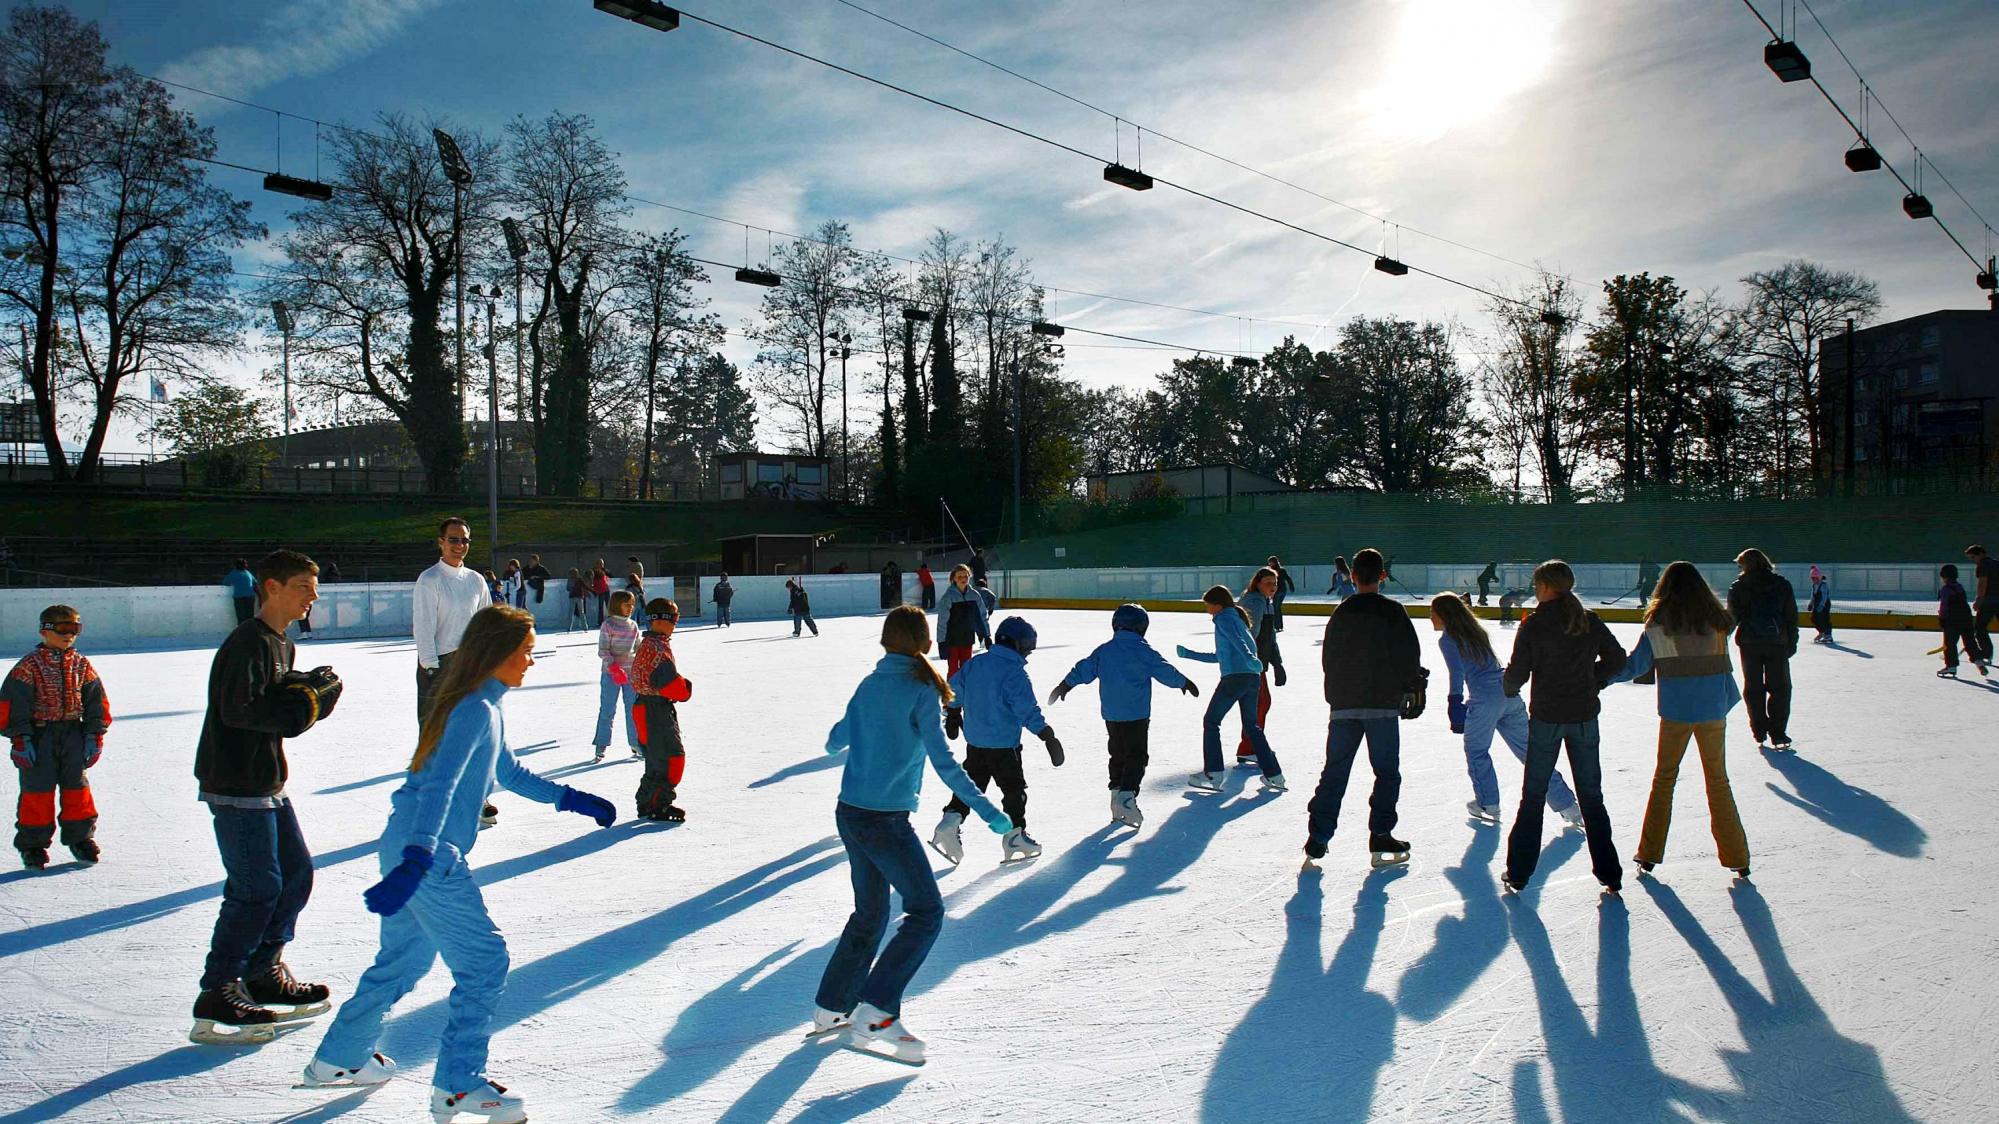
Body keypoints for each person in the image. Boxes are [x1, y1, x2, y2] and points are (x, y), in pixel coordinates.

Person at [304, 606, 615, 1118]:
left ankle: (339, 1057)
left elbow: (507, 773)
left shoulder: (481, 706)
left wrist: (570, 798)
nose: (531, 661)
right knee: (485, 962)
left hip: (405, 845)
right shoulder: (474, 709)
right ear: (497, 653)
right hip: (427, 853)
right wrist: (420, 854)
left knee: (403, 962)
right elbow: (442, 784)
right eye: (526, 651)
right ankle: (458, 1082)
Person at [813, 607, 1012, 1064]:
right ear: (924, 643)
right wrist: (987, 812)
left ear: (886, 642)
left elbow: (839, 736)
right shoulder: (921, 690)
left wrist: (837, 739)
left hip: (851, 813)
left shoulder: (870, 684)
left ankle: (831, 1007)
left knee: (870, 913)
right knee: (925, 912)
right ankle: (877, 1012)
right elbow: (944, 762)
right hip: (884, 821)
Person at [190, 549, 345, 1044]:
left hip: (265, 781)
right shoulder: (248, 643)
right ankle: (218, 988)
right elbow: (240, 711)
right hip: (237, 783)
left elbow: (273, 703)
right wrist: (303, 703)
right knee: (255, 888)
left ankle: (262, 971)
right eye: (303, 586)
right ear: (271, 587)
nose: (312, 597)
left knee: (295, 875)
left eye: (314, 588)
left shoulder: (281, 645)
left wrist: (303, 692)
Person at [1609, 561, 1751, 880]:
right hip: (1714, 707)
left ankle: (1648, 853)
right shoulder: (1718, 622)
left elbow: (1635, 666)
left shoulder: (1659, 624)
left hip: (1676, 711)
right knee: (1718, 780)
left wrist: (1600, 678)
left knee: (1664, 778)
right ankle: (1738, 857)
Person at [1500, 559, 1627, 897]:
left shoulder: (1535, 625)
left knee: (1534, 795)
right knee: (1591, 797)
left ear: (1543, 587)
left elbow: (1517, 674)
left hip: (1546, 719)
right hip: (1584, 717)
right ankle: (1610, 873)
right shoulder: (1589, 621)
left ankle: (1519, 873)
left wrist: (1508, 687)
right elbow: (1618, 660)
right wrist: (1592, 681)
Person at [1302, 548, 1425, 869]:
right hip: (1382, 704)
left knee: (1335, 772)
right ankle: (1380, 833)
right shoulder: (1393, 611)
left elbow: (1329, 659)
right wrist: (1413, 685)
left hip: (1344, 705)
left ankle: (1318, 838)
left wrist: (1337, 696)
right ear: (1382, 576)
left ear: (1352, 577)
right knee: (1386, 772)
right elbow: (1408, 655)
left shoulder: (1341, 613)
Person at [1429, 593, 1581, 830]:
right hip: (1508, 693)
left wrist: (1454, 702)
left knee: (1476, 751)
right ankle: (1569, 806)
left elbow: (1456, 673)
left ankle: (1488, 804)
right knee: (1532, 754)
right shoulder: (1476, 631)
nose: (1430, 618)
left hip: (1484, 700)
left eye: (1433, 613)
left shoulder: (1448, 639)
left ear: (1443, 615)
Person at [1051, 604, 1196, 831]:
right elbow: (1163, 669)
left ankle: (1116, 796)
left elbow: (1084, 669)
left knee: (1117, 754)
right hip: (1136, 714)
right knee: (1137, 756)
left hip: (1112, 714)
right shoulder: (1143, 651)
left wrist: (1065, 685)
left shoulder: (1105, 650)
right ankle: (1127, 796)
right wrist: (1184, 682)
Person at [932, 616, 1064, 864]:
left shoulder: (975, 664)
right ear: (1016, 645)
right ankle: (1015, 835)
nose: (1028, 654)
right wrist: (1047, 735)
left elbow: (953, 690)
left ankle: (949, 822)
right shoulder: (1015, 674)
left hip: (976, 744)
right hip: (1004, 746)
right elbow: (1026, 710)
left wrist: (952, 713)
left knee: (971, 787)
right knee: (1013, 790)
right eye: (1026, 648)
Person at [6, 604, 112, 869]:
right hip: (40, 735)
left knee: (77, 789)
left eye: (75, 629)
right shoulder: (29, 666)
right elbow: (12, 704)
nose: (70, 635)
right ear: (45, 630)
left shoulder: (81, 664)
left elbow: (96, 701)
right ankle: (33, 844)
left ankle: (81, 837)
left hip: (73, 733)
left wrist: (94, 734)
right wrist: (20, 738)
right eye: (64, 629)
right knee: (37, 791)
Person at [415, 517, 503, 828]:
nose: (459, 546)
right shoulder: (430, 580)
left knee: (475, 733)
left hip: (472, 664)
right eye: (453, 539)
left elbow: (486, 622)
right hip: (438, 665)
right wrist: (430, 666)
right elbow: (423, 627)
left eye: (464, 540)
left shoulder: (476, 580)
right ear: (440, 542)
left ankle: (476, 798)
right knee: (437, 738)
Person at [1177, 585, 1285, 794]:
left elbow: (1239, 645)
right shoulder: (1236, 619)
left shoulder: (1225, 618)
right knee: (1252, 726)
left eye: (1208, 605)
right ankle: (1274, 774)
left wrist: (1250, 659)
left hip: (1234, 679)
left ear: (1217, 604)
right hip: (1251, 678)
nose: (1207, 610)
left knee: (1211, 722)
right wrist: (1190, 654)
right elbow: (1222, 655)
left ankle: (1213, 773)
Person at [1726, 548, 1799, 753]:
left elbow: (1732, 618)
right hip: (1777, 642)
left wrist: (1720, 638)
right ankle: (1778, 732)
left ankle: (1759, 729)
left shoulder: (1739, 587)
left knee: (1753, 687)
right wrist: (1792, 641)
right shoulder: (1781, 584)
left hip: (1749, 643)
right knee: (1781, 688)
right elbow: (1791, 616)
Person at [632, 598, 695, 821]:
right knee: (672, 758)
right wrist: (685, 688)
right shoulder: (657, 649)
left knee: (656, 759)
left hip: (644, 708)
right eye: (674, 619)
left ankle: (648, 801)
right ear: (659, 620)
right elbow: (668, 683)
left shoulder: (649, 644)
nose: (676, 624)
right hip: (655, 712)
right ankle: (658, 803)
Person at [1235, 567, 1285, 768]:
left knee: (1260, 703)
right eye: (1268, 583)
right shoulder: (1254, 602)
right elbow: (1248, 635)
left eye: (1274, 583)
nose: (1272, 587)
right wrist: (1250, 661)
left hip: (1257, 663)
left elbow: (1270, 637)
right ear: (1257, 583)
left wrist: (1277, 663)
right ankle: (1249, 748)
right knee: (1260, 703)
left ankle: (1249, 747)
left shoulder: (1266, 602)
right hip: (1250, 663)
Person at [593, 591, 641, 762]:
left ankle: (636, 744)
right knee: (607, 709)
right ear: (616, 604)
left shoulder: (633, 626)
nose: (631, 607)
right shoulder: (608, 625)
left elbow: (638, 648)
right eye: (627, 604)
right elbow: (603, 650)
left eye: (632, 604)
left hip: (630, 675)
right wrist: (614, 667)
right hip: (611, 675)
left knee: (633, 710)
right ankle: (601, 744)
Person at [935, 565, 991, 677]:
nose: (963, 579)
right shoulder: (948, 597)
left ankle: (965, 693)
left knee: (967, 670)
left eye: (965, 576)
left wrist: (986, 635)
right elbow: (942, 621)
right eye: (959, 576)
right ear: (954, 578)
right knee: (953, 671)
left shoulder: (975, 596)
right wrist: (941, 642)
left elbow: (982, 616)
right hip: (952, 641)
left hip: (967, 640)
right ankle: (951, 693)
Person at [1937, 564, 1984, 678]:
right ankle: (1979, 662)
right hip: (1966, 618)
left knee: (1950, 644)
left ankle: (1951, 666)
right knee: (1970, 642)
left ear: (1944, 577)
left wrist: (1942, 618)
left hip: (1952, 620)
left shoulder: (1946, 589)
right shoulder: (1959, 587)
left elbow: (1944, 605)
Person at [1967, 544, 1999, 667]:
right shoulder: (1997, 563)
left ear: (1981, 554)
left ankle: (1987, 654)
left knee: (1980, 628)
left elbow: (1982, 582)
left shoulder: (1983, 566)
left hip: (1989, 602)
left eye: (1973, 557)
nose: (1973, 561)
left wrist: (1979, 600)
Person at [1266, 554, 1295, 632]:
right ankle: (1279, 626)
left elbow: (1287, 578)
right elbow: (1288, 579)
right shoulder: (1278, 570)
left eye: (1270, 562)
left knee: (1276, 607)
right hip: (1280, 591)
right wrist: (1291, 587)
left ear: (1274, 562)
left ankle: (1277, 626)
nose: (1269, 564)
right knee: (1277, 607)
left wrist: (1291, 586)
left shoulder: (1276, 570)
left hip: (1279, 591)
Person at [225, 559, 258, 624]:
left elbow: (226, 582)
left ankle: (245, 631)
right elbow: (255, 582)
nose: (246, 565)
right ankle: (246, 631)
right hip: (246, 597)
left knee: (244, 617)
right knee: (246, 617)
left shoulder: (235, 573)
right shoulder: (246, 572)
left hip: (243, 597)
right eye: (245, 564)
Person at [1807, 565, 1833, 644]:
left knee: (1824, 619)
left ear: (1819, 577)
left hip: (1824, 605)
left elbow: (1824, 597)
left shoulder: (1823, 585)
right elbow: (1813, 595)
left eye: (1815, 578)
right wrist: (1811, 603)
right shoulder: (1814, 585)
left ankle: (1828, 635)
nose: (1813, 580)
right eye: (1812, 578)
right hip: (1817, 604)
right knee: (1813, 618)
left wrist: (1821, 606)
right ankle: (1821, 632)